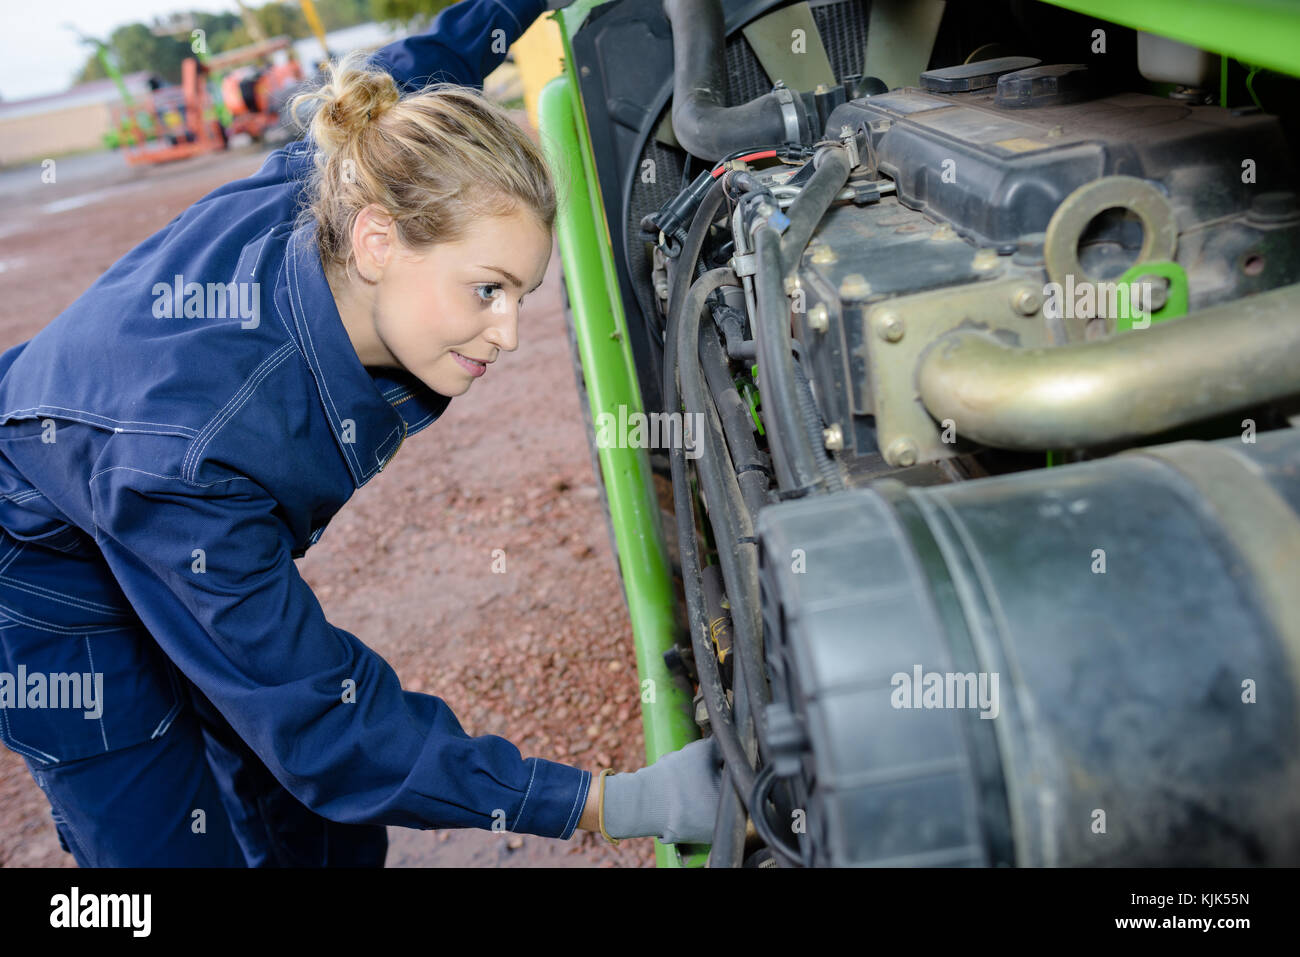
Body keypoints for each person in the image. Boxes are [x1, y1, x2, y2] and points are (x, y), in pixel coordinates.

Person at [0, 0, 721, 867]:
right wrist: (613, 800)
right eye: (487, 289)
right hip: (42, 549)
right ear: (379, 243)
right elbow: (324, 726)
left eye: (523, 294)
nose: (510, 334)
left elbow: (434, 52)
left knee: (325, 835)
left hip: (130, 468)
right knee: (158, 846)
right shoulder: (200, 458)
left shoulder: (361, 163)